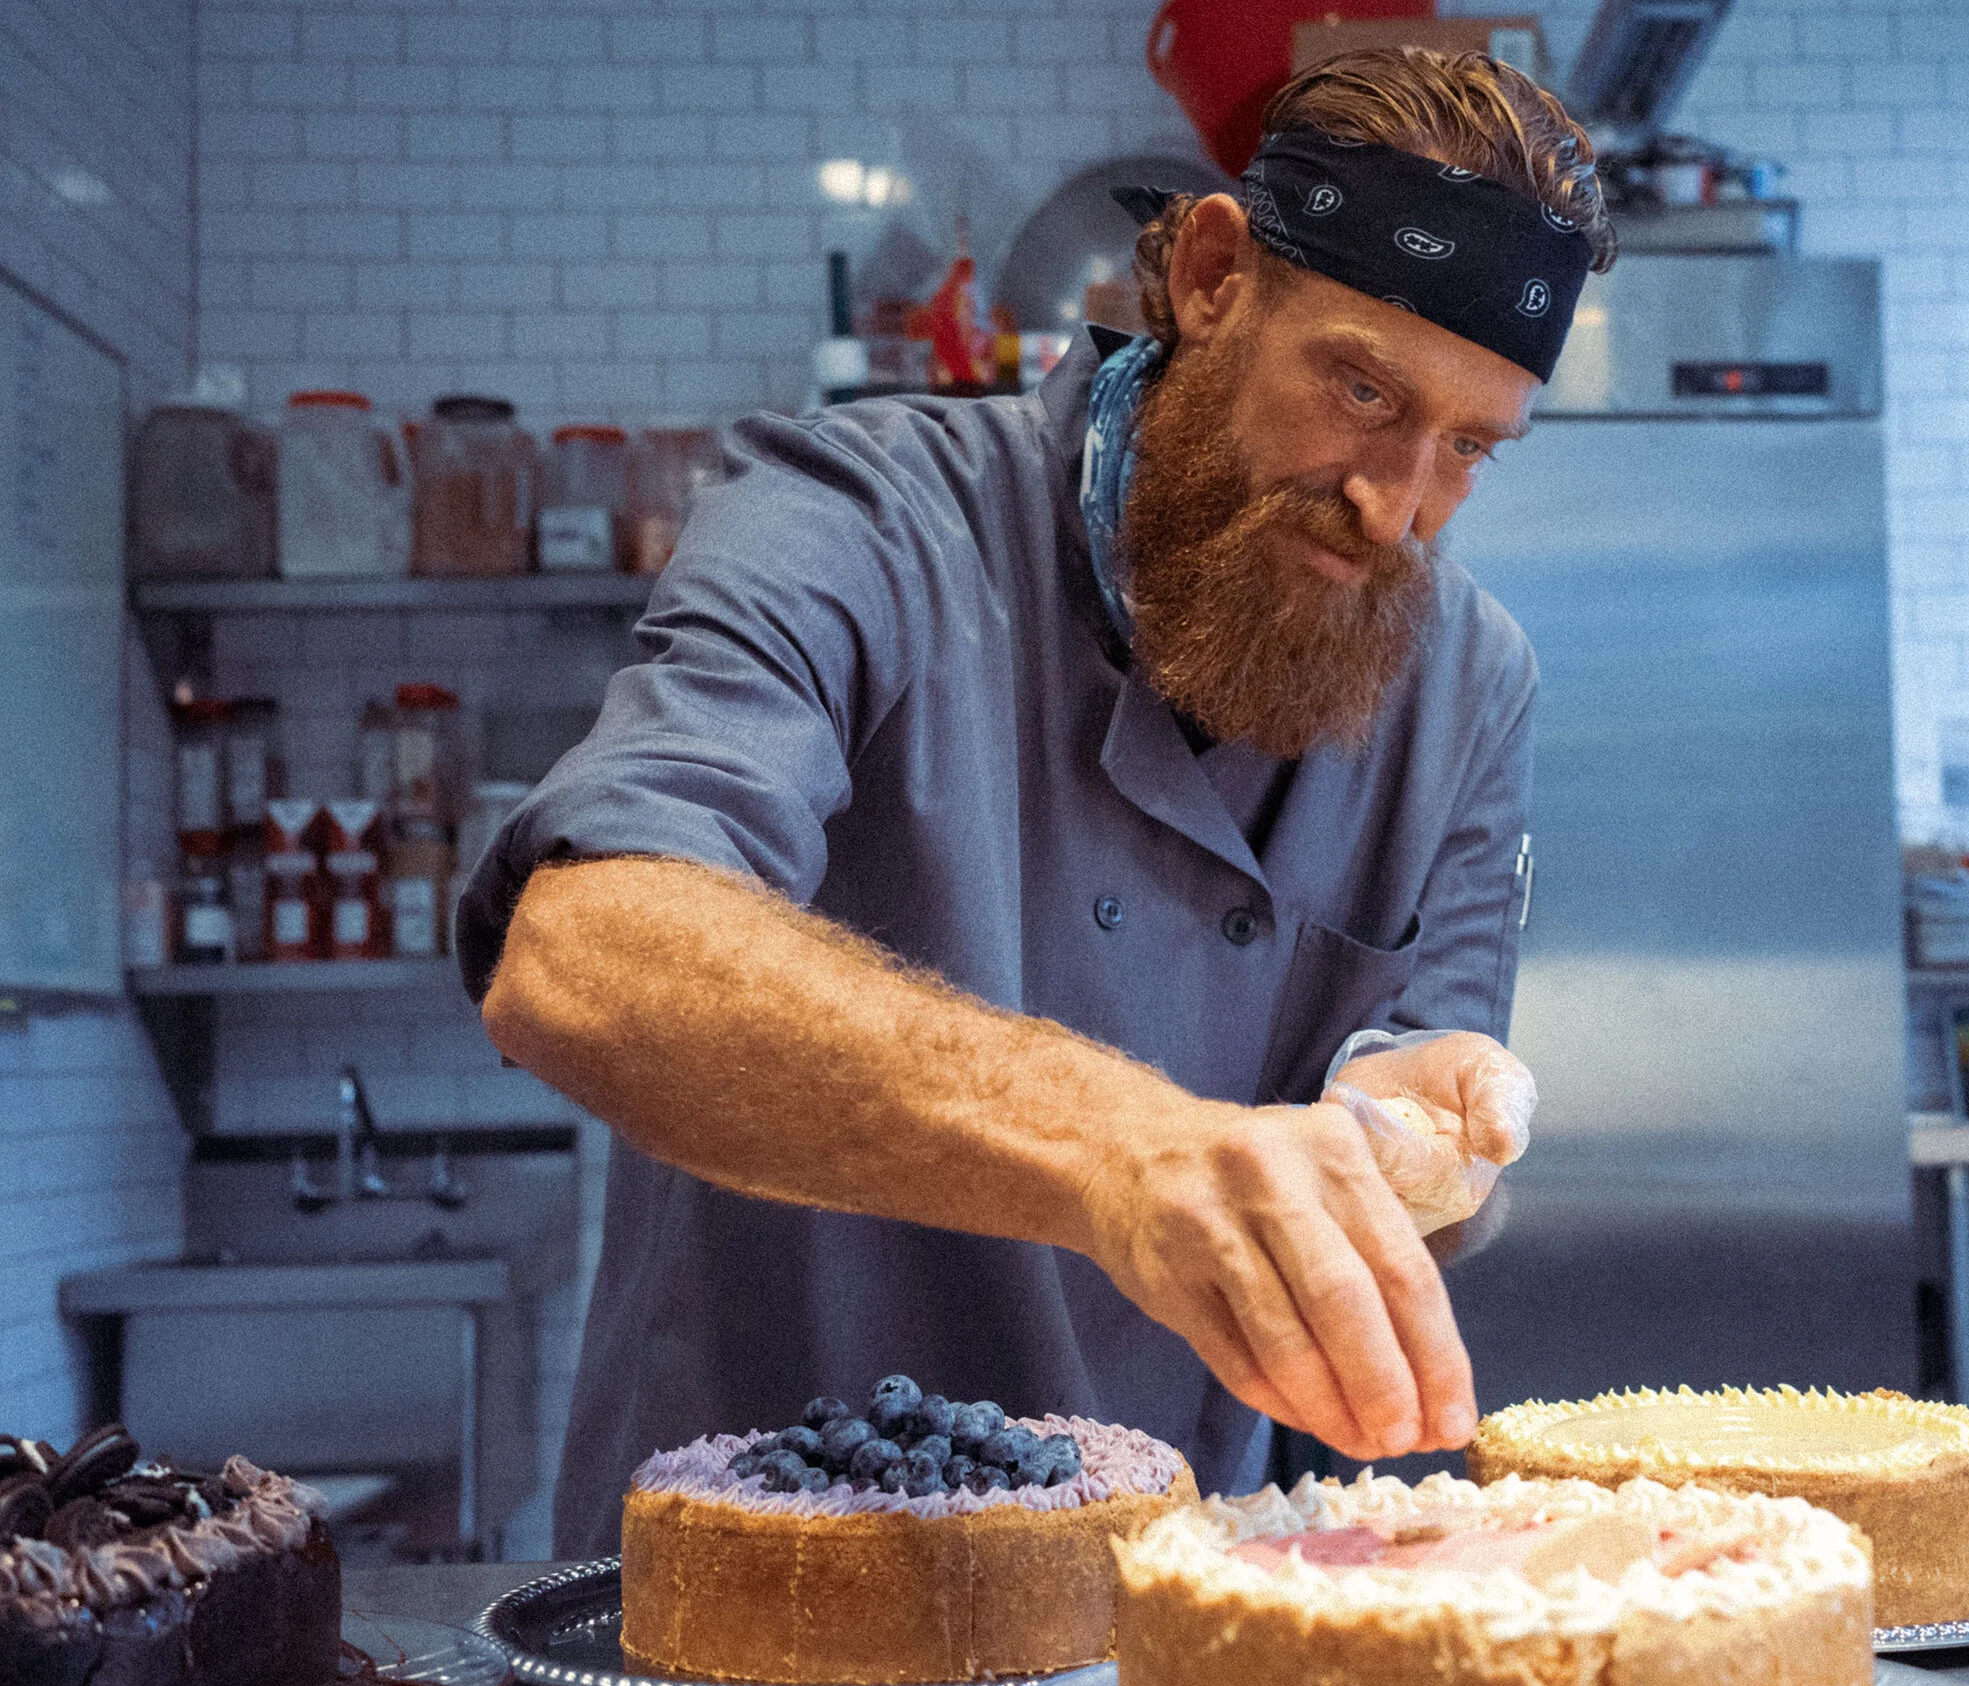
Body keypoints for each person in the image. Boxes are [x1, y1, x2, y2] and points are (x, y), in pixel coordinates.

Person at [459, 48, 1617, 1558]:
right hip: (763, 1598)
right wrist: (1123, 1147)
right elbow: (580, 957)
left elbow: (1430, 1111)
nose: (1394, 501)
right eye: (1359, 388)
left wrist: (1421, 1146)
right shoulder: (861, 518)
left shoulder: (1465, 679)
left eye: (1467, 447)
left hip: (1168, 1596)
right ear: (1212, 279)